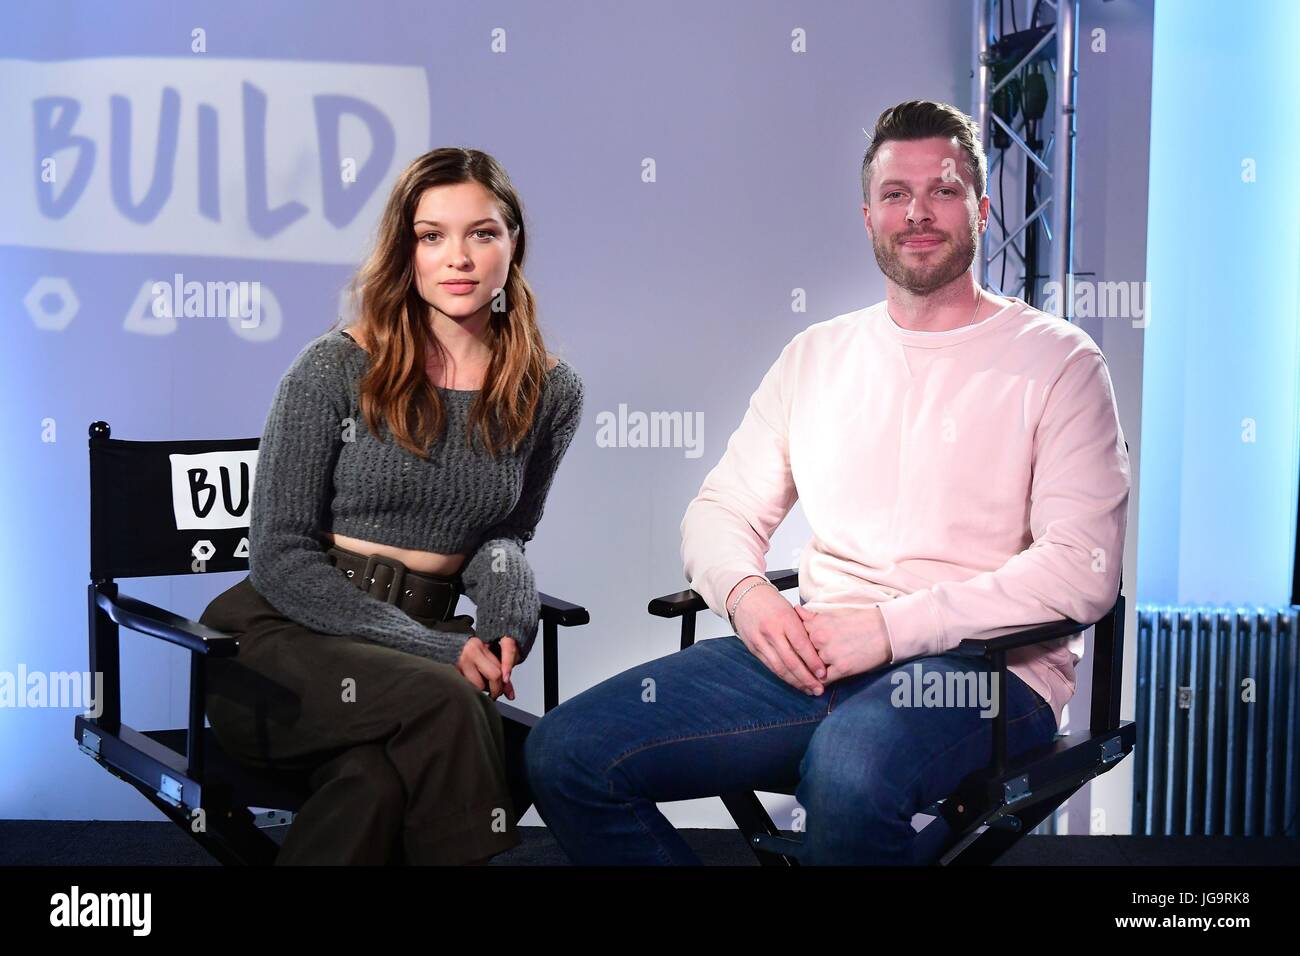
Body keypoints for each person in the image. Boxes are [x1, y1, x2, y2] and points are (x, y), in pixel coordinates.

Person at [524, 100, 1130, 865]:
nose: (917, 213)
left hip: (984, 672)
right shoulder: (817, 355)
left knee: (849, 770)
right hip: (816, 654)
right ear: (868, 215)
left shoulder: (1059, 362)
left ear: (979, 208)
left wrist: (887, 629)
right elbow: (719, 511)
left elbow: (1081, 571)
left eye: (941, 191)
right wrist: (748, 598)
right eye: (894, 195)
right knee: (566, 752)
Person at [199, 147, 584, 865]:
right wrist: (435, 647)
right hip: (279, 646)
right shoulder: (335, 367)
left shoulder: (550, 391)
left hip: (412, 658)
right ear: (404, 248)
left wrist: (506, 610)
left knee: (371, 788)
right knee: (450, 702)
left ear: (514, 243)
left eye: (482, 233)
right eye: (431, 235)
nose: (458, 257)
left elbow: (505, 534)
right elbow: (280, 558)